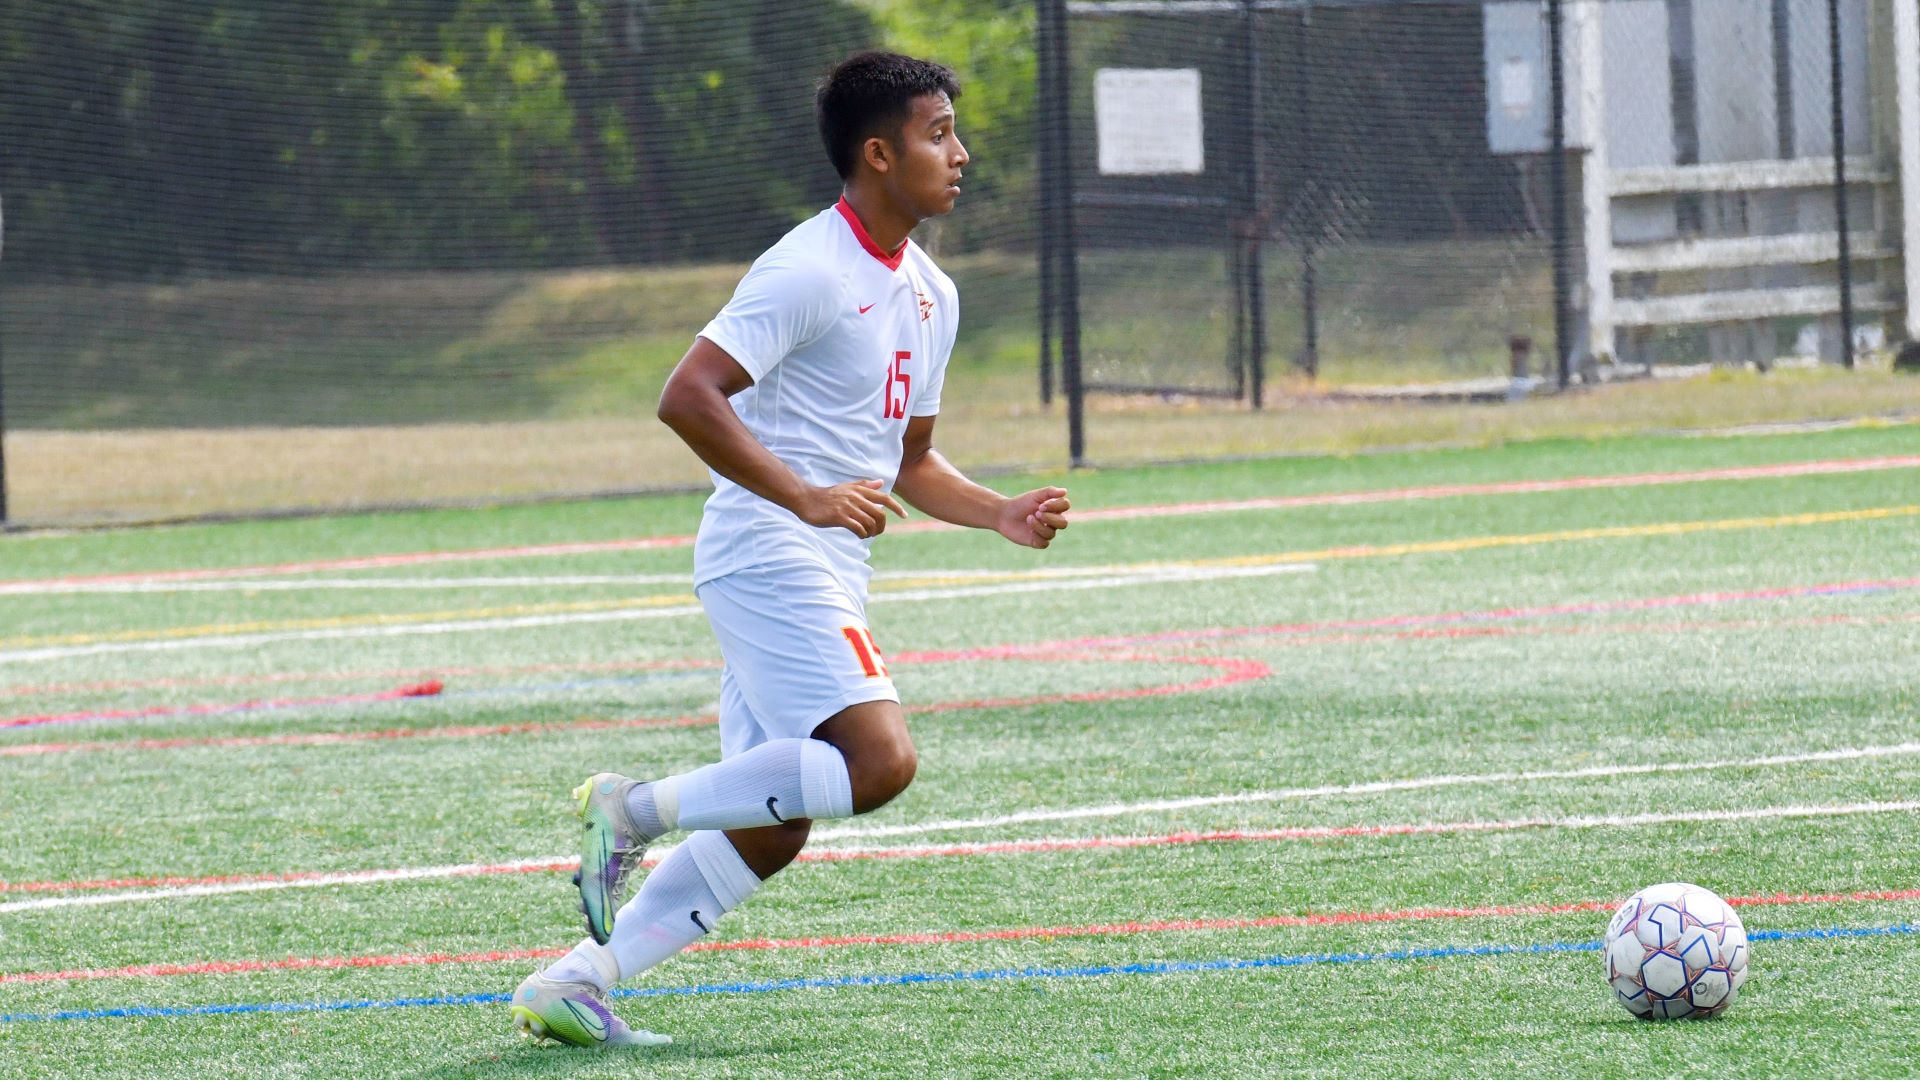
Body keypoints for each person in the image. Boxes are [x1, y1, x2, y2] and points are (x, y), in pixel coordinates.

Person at [509, 51, 1073, 1048]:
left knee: (772, 821)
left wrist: (997, 513)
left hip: (817, 559)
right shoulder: (808, 267)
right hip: (766, 548)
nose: (962, 154)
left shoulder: (933, 293)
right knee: (877, 761)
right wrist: (806, 497)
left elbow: (910, 460)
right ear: (877, 153)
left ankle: (576, 981)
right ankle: (628, 809)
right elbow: (687, 395)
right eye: (939, 134)